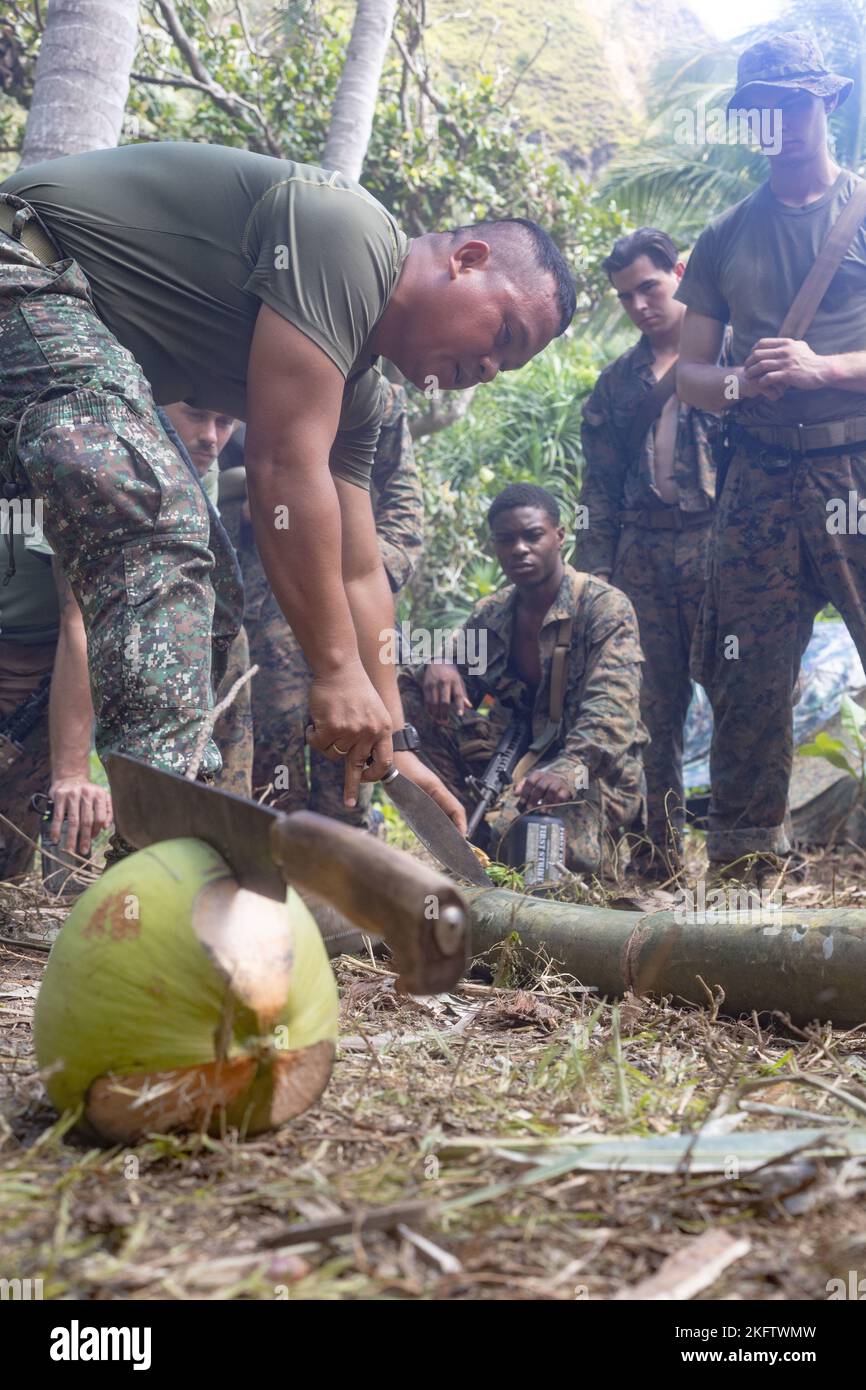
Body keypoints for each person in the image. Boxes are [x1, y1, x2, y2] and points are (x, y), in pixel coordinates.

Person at [0, 145, 575, 835]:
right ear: (469, 260)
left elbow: (360, 570)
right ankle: (161, 858)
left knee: (208, 602)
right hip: (25, 268)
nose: (488, 366)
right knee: (157, 530)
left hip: (64, 335)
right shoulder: (351, 232)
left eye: (505, 366)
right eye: (503, 333)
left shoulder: (359, 396)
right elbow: (282, 468)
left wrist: (393, 738)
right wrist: (335, 672)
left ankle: (168, 845)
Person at [675, 32, 866, 877]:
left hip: (853, 465)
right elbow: (688, 375)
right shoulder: (722, 236)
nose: (780, 122)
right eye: (762, 108)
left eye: (794, 102)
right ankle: (742, 891)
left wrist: (824, 367)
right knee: (747, 683)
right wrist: (742, 386)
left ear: (826, 102)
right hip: (756, 478)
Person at [398, 484, 648, 875]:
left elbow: (612, 710)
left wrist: (568, 769)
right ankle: (462, 826)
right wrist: (439, 663)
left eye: (532, 536)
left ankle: (508, 842)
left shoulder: (603, 607)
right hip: (509, 773)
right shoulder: (493, 614)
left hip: (590, 777)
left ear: (559, 537)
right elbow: (446, 676)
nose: (519, 549)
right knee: (407, 694)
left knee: (532, 846)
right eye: (506, 540)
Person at [578, 228, 721, 876]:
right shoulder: (616, 385)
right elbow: (598, 492)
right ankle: (655, 859)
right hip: (641, 553)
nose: (638, 305)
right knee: (649, 711)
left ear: (681, 272)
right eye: (625, 297)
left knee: (745, 700)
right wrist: (594, 581)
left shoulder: (730, 353)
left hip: (720, 547)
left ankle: (742, 857)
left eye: (649, 288)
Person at [219, 378, 423, 821]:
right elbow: (202, 490)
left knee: (354, 748)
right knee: (272, 755)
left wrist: (366, 575)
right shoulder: (246, 382)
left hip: (354, 618)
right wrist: (245, 515)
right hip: (261, 611)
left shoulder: (378, 396)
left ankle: (344, 858)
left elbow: (405, 508)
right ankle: (277, 867)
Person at [0, 524, 110, 880]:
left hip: (38, 662)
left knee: (5, 872)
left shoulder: (33, 477)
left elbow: (75, 619)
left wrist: (72, 773)